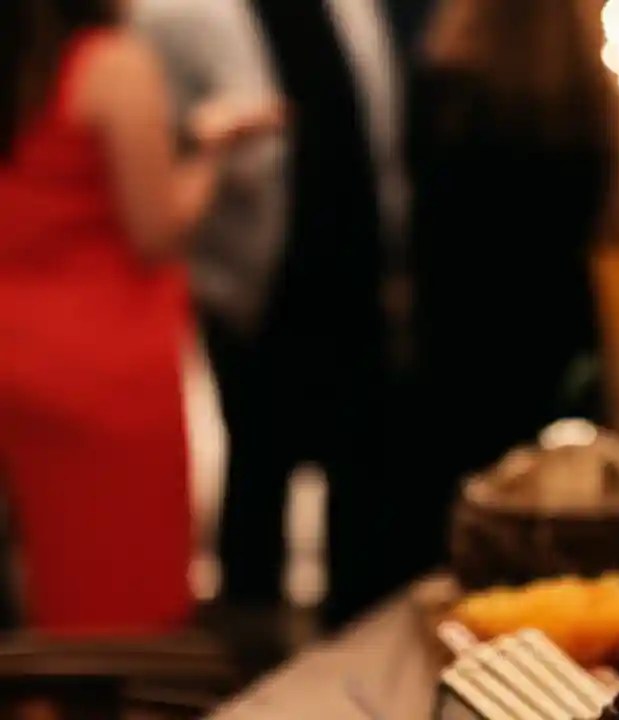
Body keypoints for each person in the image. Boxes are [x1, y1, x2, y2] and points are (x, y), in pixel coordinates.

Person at [0, 0, 276, 633]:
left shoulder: (21, 68)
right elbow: (156, 228)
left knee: (43, 566)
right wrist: (210, 151)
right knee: (122, 579)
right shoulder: (112, 66)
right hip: (104, 363)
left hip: (17, 351)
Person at [136, 0, 411, 627]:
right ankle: (245, 660)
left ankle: (352, 649)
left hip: (356, 277)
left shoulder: (356, 12)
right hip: (251, 284)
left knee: (361, 478)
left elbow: (378, 139)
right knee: (257, 475)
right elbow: (162, 151)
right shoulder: (184, 17)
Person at [408, 0, 619, 557]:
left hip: (460, 341)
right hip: (560, 339)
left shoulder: (445, 90)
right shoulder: (590, 96)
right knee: (558, 530)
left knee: (467, 534)